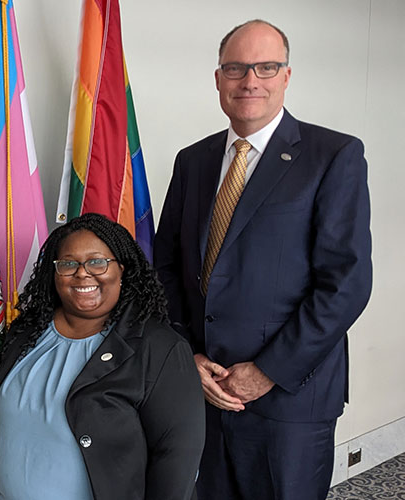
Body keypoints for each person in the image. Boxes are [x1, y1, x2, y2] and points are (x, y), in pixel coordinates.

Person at [153, 19, 373, 500]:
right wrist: (187, 354)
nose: (250, 80)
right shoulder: (193, 161)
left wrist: (269, 370)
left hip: (290, 398)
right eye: (235, 68)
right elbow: (164, 266)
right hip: (204, 389)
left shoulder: (333, 155)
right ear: (218, 79)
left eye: (266, 67)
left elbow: (346, 282)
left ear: (286, 76)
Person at [0, 213, 204, 500]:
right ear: (54, 273)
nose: (82, 273)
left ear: (122, 269)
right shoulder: (25, 335)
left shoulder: (158, 348)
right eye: (68, 263)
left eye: (97, 262)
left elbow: (177, 458)